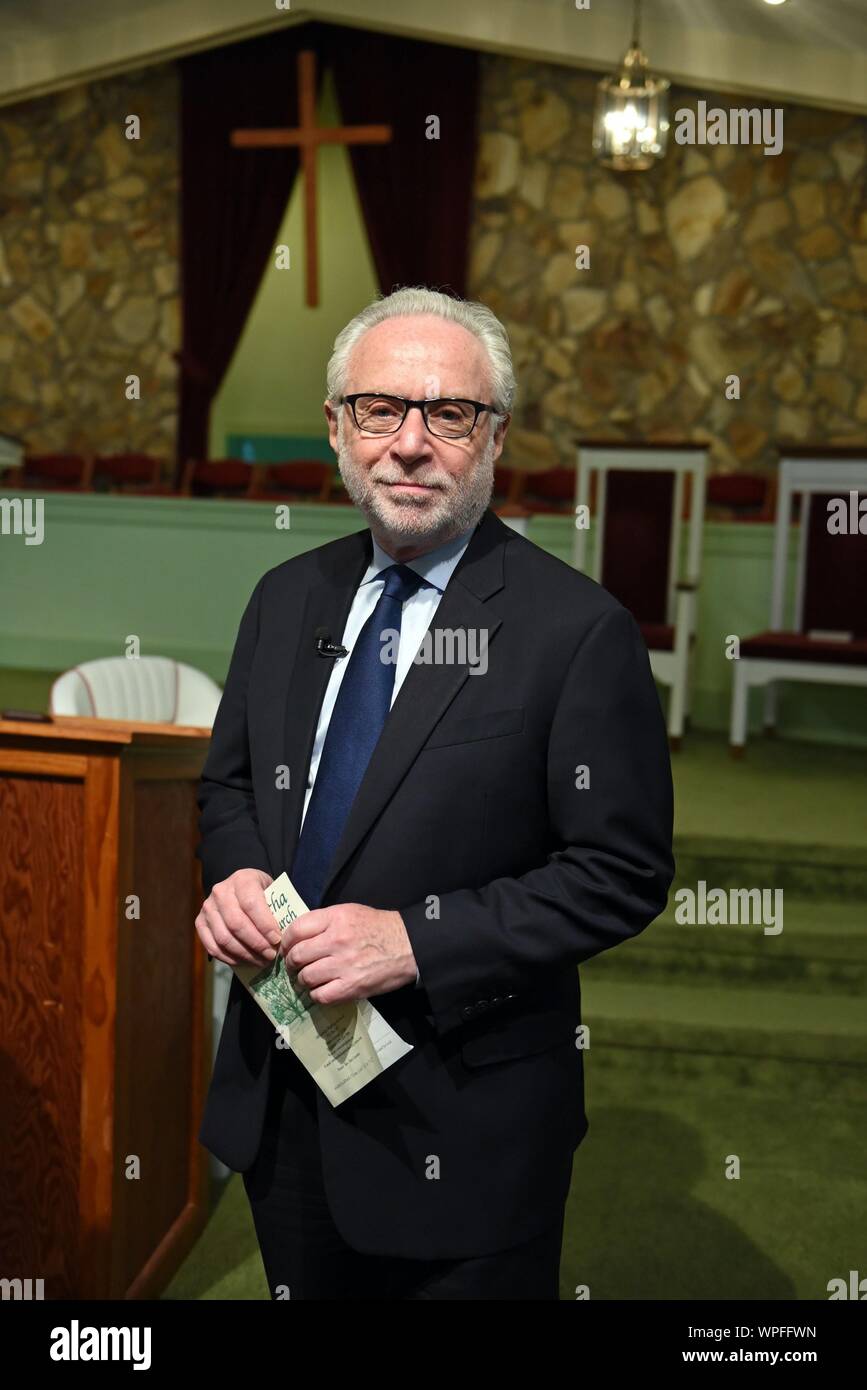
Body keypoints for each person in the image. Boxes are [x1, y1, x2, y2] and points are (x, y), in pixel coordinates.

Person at [194, 286, 674, 1300]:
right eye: (380, 409)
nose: (410, 442)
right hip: (282, 1094)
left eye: (448, 413)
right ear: (336, 428)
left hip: (461, 1122)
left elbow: (620, 872)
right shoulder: (285, 599)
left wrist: (416, 939)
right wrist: (238, 872)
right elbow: (229, 785)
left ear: (493, 436)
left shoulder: (577, 632)